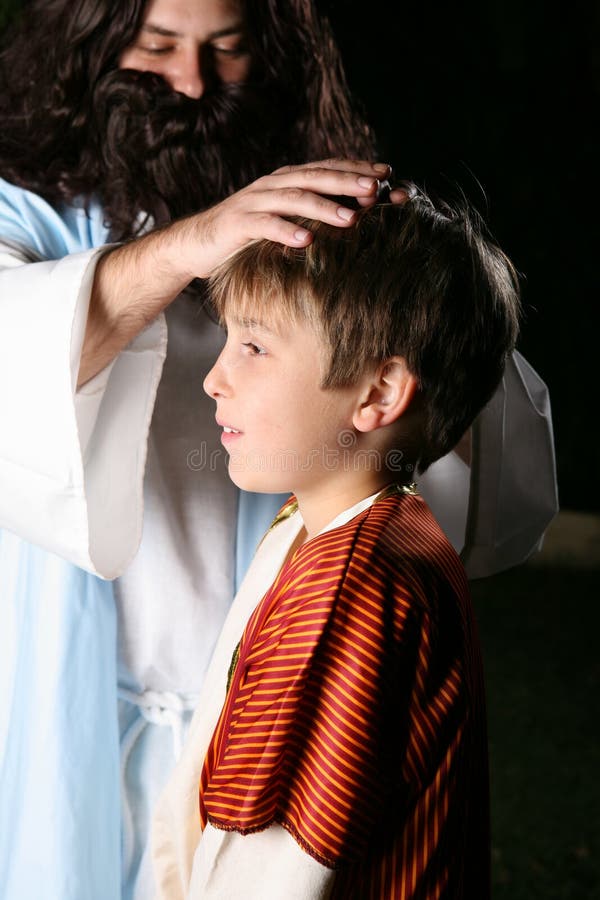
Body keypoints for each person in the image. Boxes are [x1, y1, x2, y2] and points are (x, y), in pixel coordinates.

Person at [0, 1, 556, 899]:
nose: (191, 83)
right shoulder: (23, 210)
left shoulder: (358, 584)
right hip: (82, 694)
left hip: (270, 673)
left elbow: (292, 857)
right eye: (157, 46)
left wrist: (410, 270)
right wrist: (191, 244)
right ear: (89, 46)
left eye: (226, 50)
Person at [152, 189, 519, 898]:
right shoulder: (346, 531)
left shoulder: (352, 592)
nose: (214, 378)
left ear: (379, 393)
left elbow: (271, 871)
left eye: (255, 346)